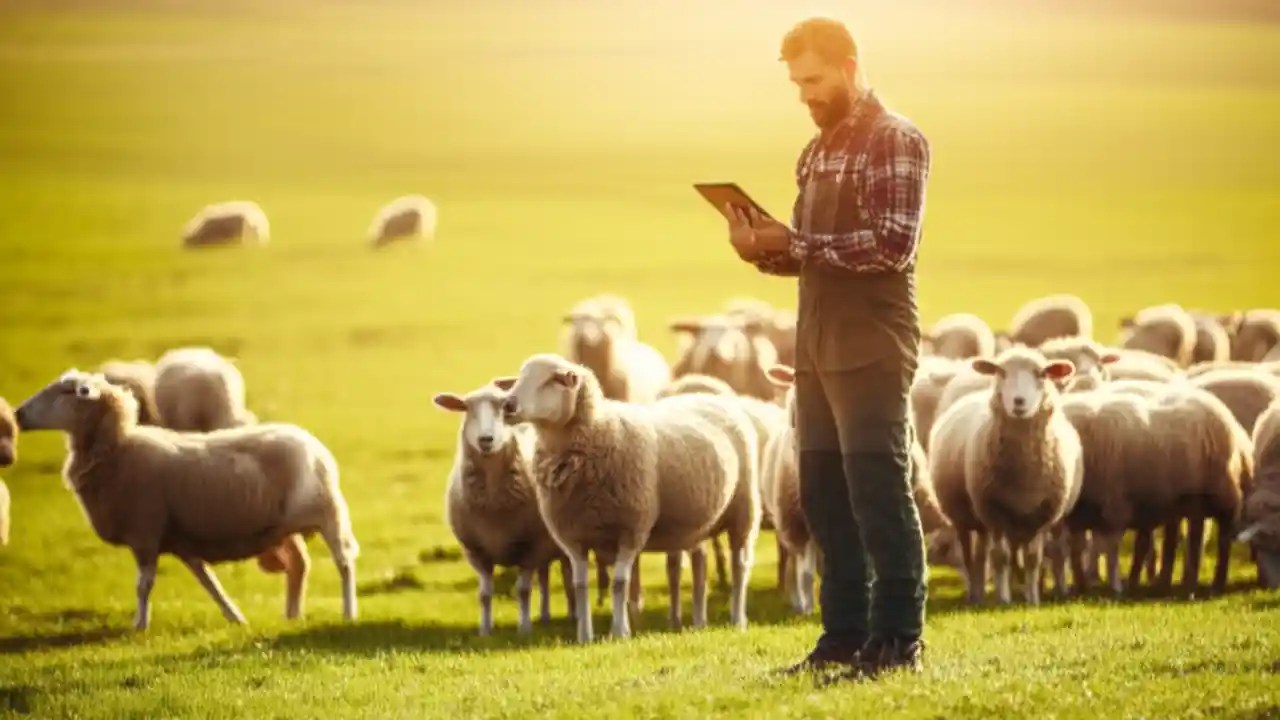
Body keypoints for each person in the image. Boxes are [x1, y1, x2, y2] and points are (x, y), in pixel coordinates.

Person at [725, 16, 931, 681]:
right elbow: (813, 261)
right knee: (821, 494)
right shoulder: (814, 152)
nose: (804, 95)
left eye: (812, 80)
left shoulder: (896, 141)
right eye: (796, 84)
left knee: (878, 491)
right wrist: (761, 252)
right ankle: (843, 637)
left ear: (846, 67)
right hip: (815, 343)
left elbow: (892, 245)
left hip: (871, 342)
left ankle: (898, 641)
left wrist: (796, 242)